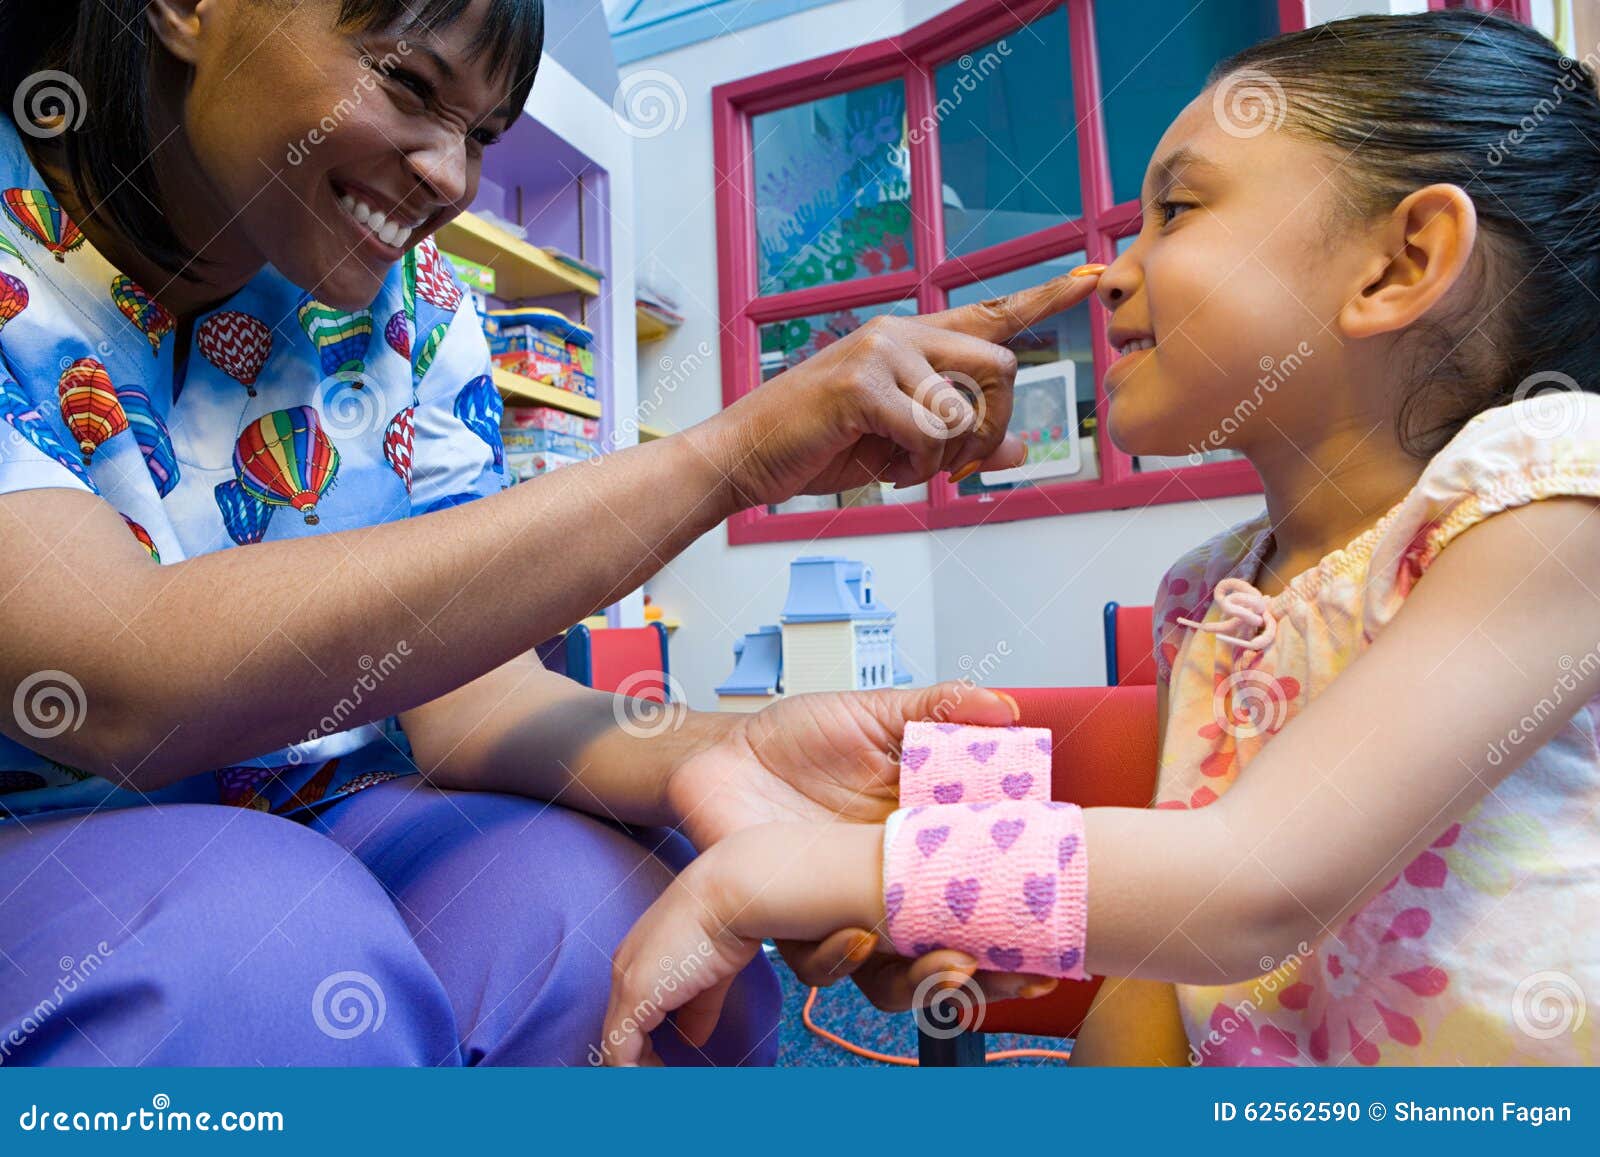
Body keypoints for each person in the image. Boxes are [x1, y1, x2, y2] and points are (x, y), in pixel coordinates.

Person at [0, 0, 1098, 1065]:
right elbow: (109, 677)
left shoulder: (416, 303)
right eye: (408, 83)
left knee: (612, 929)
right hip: (54, 832)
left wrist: (725, 754)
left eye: (481, 134)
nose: (450, 176)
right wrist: (735, 456)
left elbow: (466, 691)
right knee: (256, 964)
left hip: (332, 806)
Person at [597, 10, 1600, 1067]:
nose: (1114, 273)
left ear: (1399, 265)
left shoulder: (1548, 493)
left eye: (1178, 210)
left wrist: (788, 872)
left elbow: (1252, 883)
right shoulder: (1206, 593)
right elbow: (1171, 959)